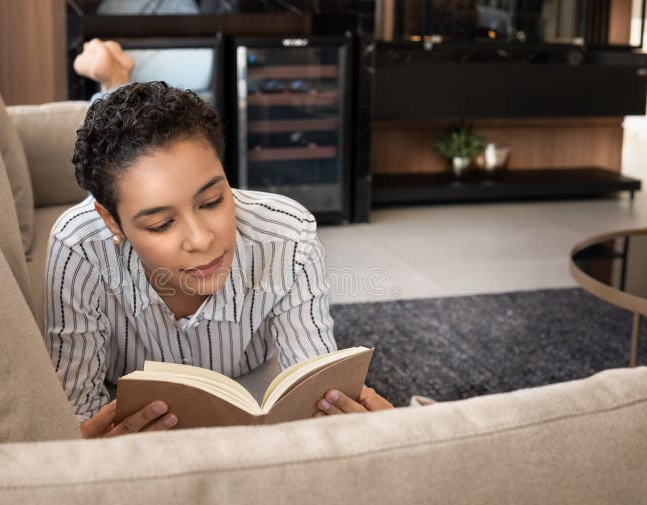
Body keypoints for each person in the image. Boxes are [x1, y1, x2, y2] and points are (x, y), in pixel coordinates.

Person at [48, 40, 393, 439]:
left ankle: (115, 78)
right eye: (161, 224)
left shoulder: (287, 235)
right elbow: (76, 412)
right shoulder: (79, 246)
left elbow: (318, 387)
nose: (201, 240)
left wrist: (370, 430)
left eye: (213, 200)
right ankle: (113, 77)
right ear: (112, 222)